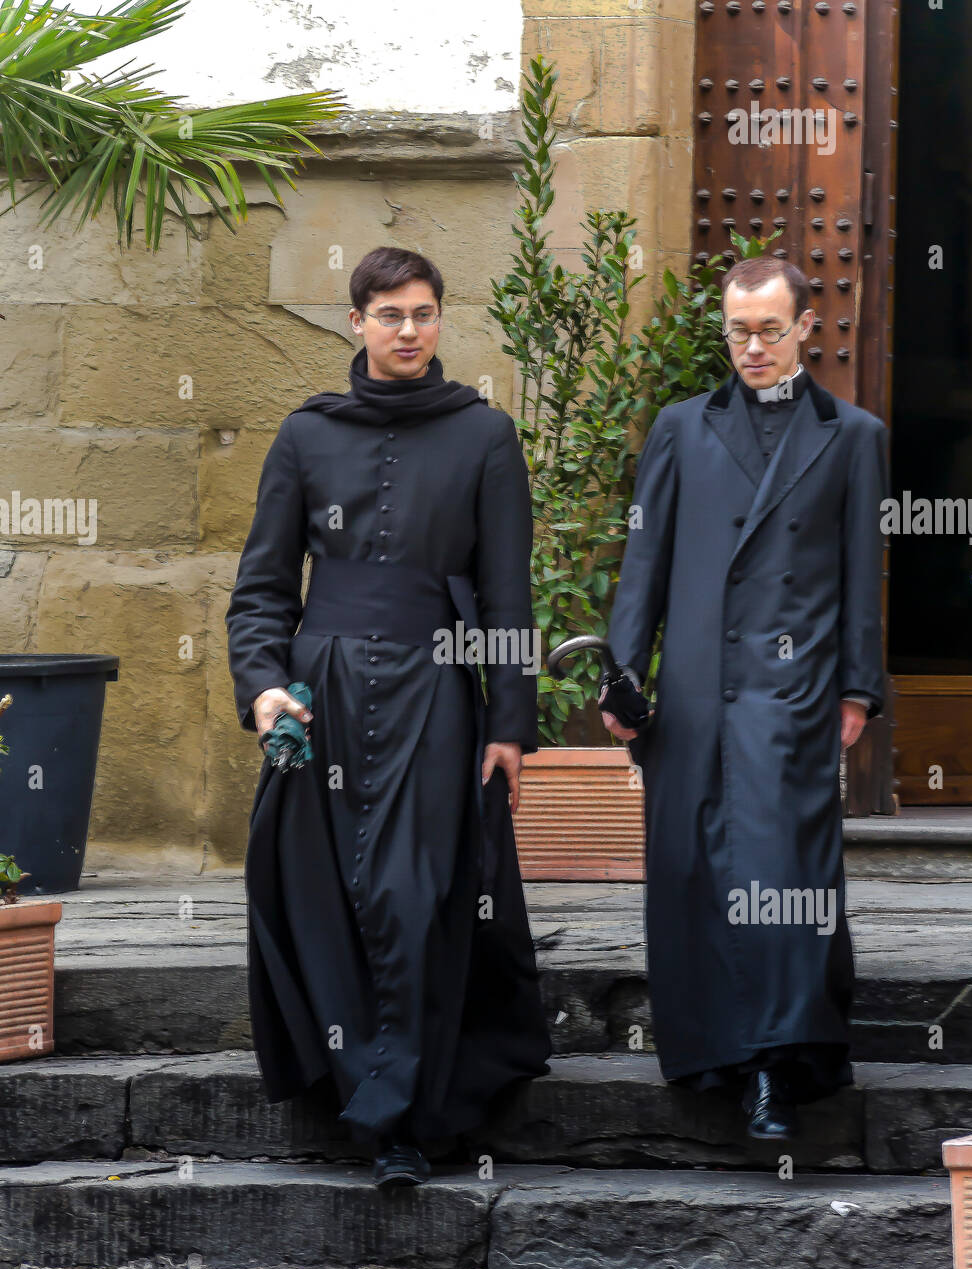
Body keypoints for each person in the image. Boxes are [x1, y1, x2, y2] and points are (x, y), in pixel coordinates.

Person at [225, 246, 551, 1186]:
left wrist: (507, 725)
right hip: (318, 696)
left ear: (442, 320)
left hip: (437, 695)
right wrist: (261, 685)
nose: (410, 331)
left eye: (425, 314)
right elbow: (261, 590)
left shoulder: (485, 435)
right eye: (390, 314)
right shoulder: (304, 436)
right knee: (324, 899)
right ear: (356, 323)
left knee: (413, 899)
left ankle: (402, 1114)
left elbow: (506, 599)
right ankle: (355, 1088)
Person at [601, 256, 887, 1140]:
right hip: (690, 688)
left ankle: (776, 1065)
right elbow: (644, 562)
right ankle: (707, 1053)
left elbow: (860, 577)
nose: (752, 348)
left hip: (791, 688)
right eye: (736, 332)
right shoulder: (682, 428)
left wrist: (857, 688)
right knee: (691, 869)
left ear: (807, 326)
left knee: (781, 872)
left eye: (769, 330)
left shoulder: (853, 435)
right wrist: (623, 673)